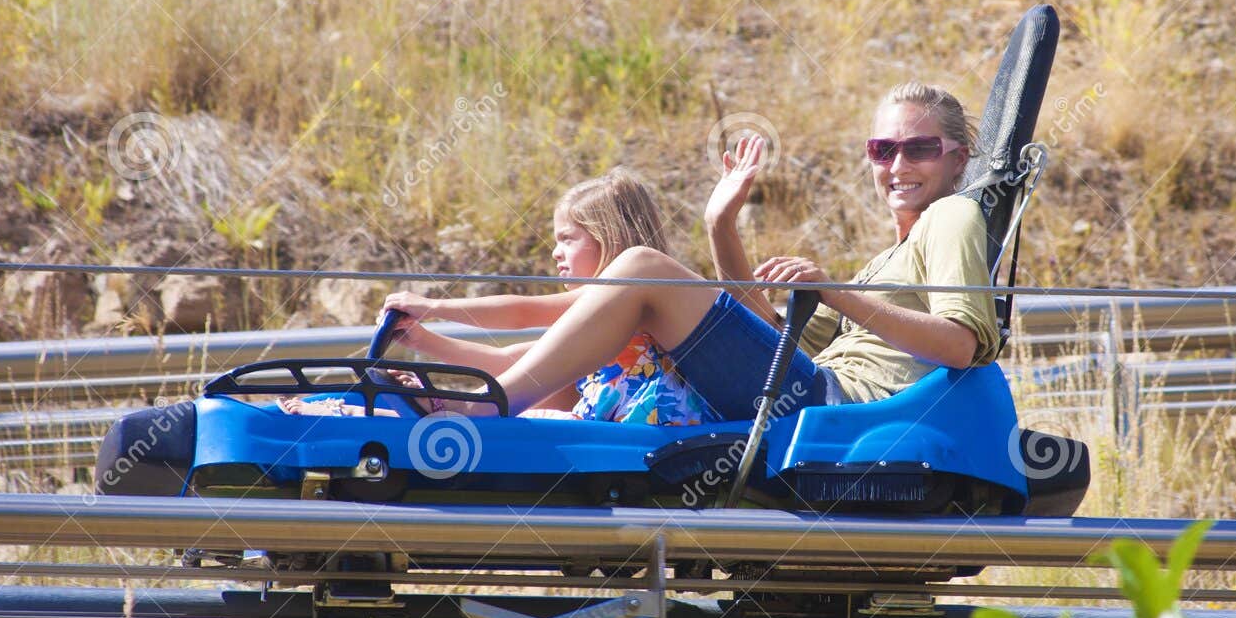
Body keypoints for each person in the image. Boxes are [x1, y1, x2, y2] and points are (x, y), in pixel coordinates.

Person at [419, 82, 999, 419]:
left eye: (919, 148)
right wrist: (721, 223)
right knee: (626, 327)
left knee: (643, 271)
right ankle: (472, 391)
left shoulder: (953, 214)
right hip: (804, 386)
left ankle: (488, 409)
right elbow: (767, 333)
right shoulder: (889, 256)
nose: (897, 166)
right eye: (883, 149)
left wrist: (833, 291)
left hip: (835, 408)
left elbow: (961, 344)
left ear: (958, 156)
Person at [287, 168, 708, 426]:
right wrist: (424, 340)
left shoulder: (627, 295)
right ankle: (400, 410)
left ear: (608, 239)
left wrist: (436, 307)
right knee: (519, 412)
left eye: (567, 239)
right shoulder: (600, 319)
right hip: (612, 423)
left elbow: (523, 310)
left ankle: (435, 409)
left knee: (517, 420)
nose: (555, 253)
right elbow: (516, 363)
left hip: (638, 432)